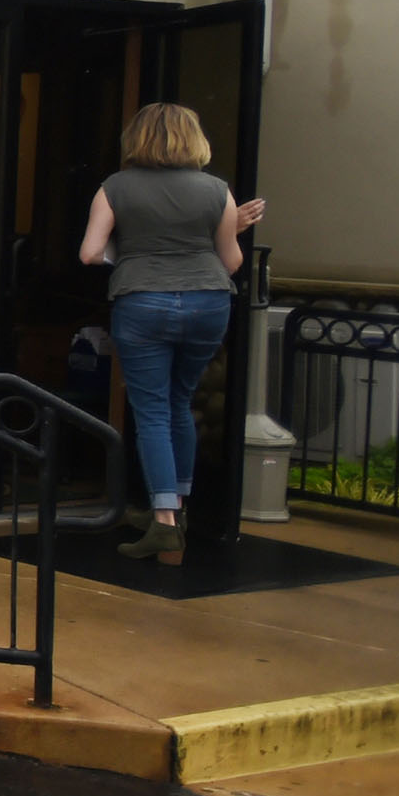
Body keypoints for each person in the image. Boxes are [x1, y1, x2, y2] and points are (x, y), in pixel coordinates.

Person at [77, 103, 266, 564]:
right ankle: (176, 507)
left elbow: (90, 253)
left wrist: (136, 250)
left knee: (153, 410)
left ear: (136, 139)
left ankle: (162, 521)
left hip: (143, 301)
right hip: (209, 302)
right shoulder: (216, 190)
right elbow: (233, 262)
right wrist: (229, 228)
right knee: (180, 401)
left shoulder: (115, 187)